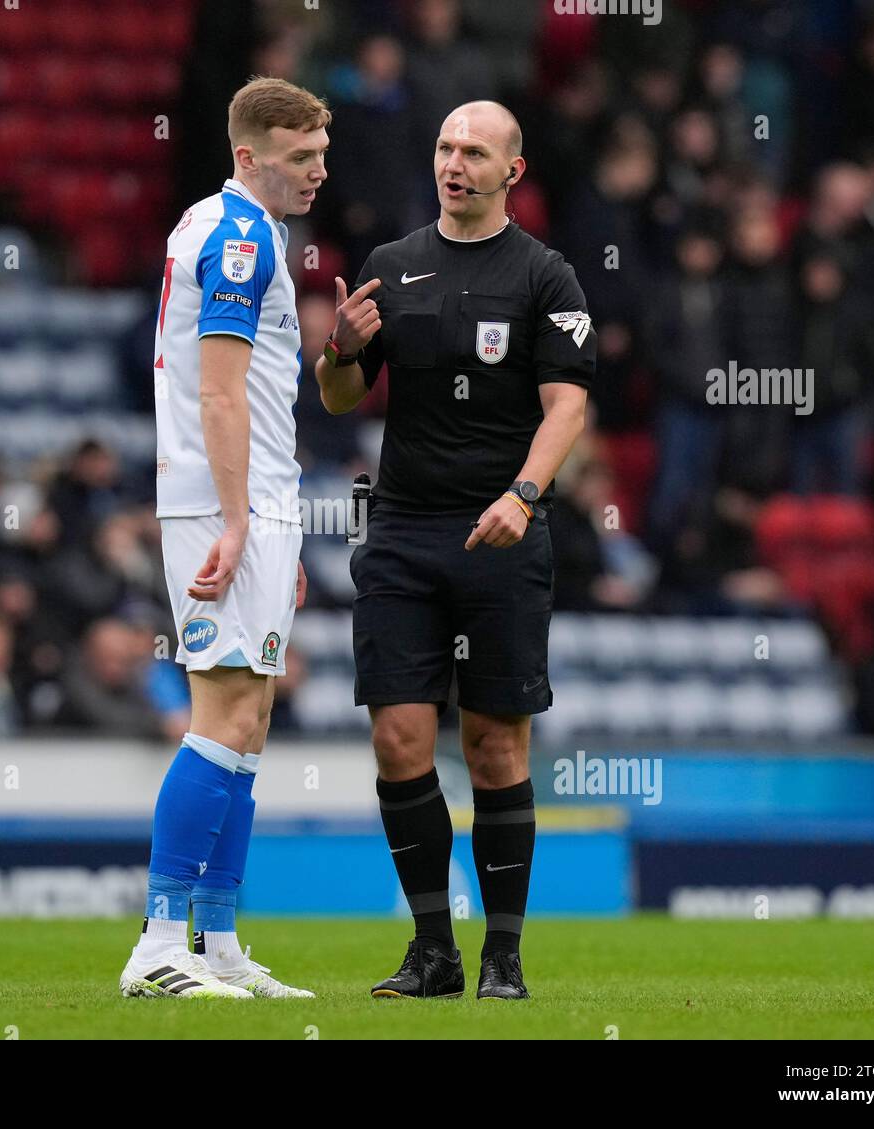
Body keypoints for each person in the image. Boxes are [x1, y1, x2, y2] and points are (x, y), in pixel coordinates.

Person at [316, 101, 596, 1000]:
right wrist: (339, 350)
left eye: (475, 151)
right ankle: (432, 949)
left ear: (513, 169)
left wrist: (524, 494)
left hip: (501, 534)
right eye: (445, 147)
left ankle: (503, 957)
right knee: (399, 739)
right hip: (401, 530)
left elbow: (566, 408)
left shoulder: (545, 277)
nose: (455, 163)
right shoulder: (392, 267)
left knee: (493, 751)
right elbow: (336, 398)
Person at [117, 77, 327, 1002]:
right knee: (222, 718)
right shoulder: (239, 237)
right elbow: (218, 391)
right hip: (219, 504)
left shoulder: (238, 228)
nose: (318, 171)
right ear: (250, 155)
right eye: (301, 157)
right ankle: (159, 944)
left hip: (258, 504)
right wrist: (243, 521)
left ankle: (219, 939)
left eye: (323, 153)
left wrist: (278, 527)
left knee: (250, 723)